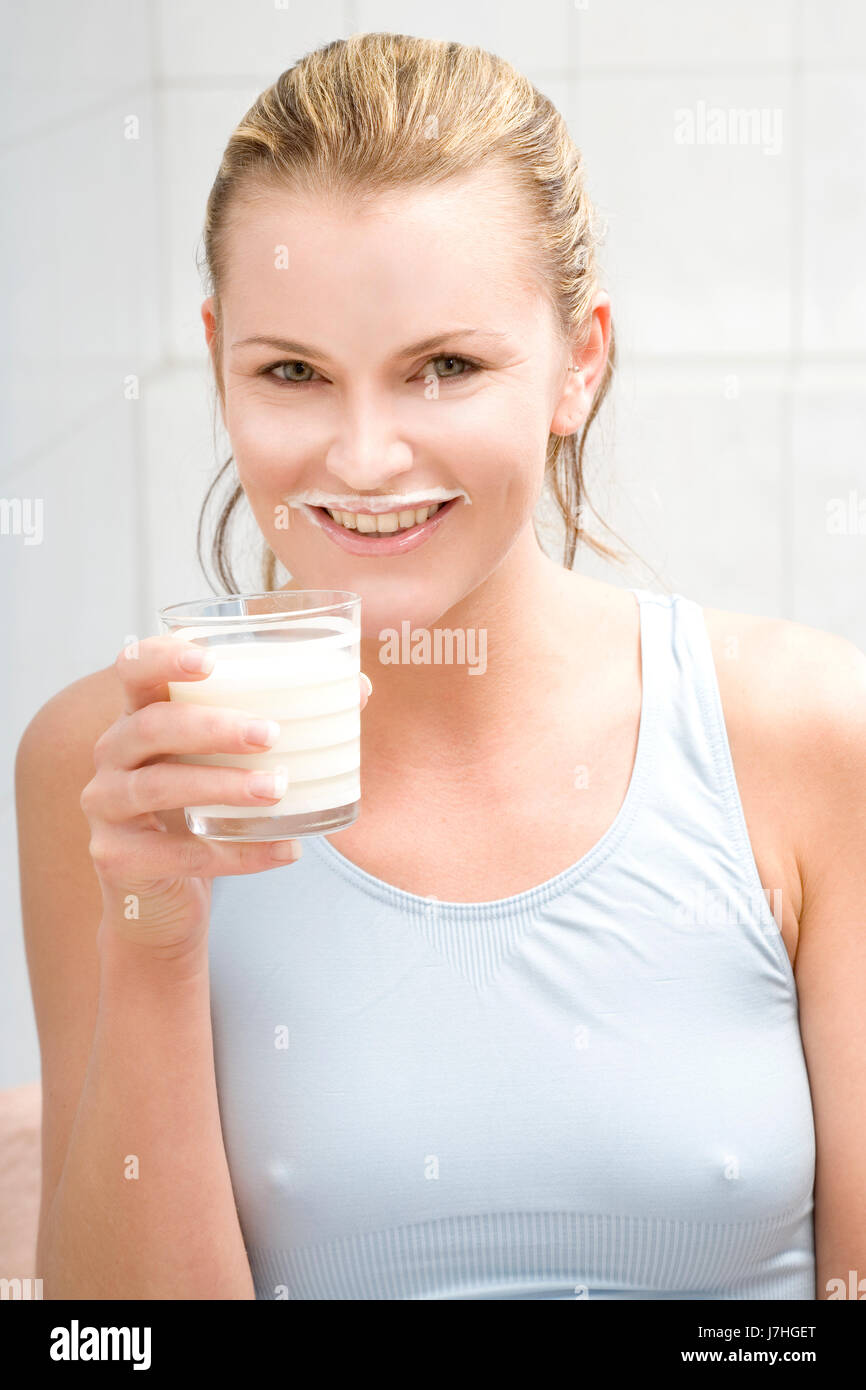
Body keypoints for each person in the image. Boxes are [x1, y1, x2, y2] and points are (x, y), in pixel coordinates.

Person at [15, 32, 865, 1301]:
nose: (363, 456)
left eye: (445, 367)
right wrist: (152, 931)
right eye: (292, 371)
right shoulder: (108, 763)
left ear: (578, 363)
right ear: (218, 359)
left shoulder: (804, 737)